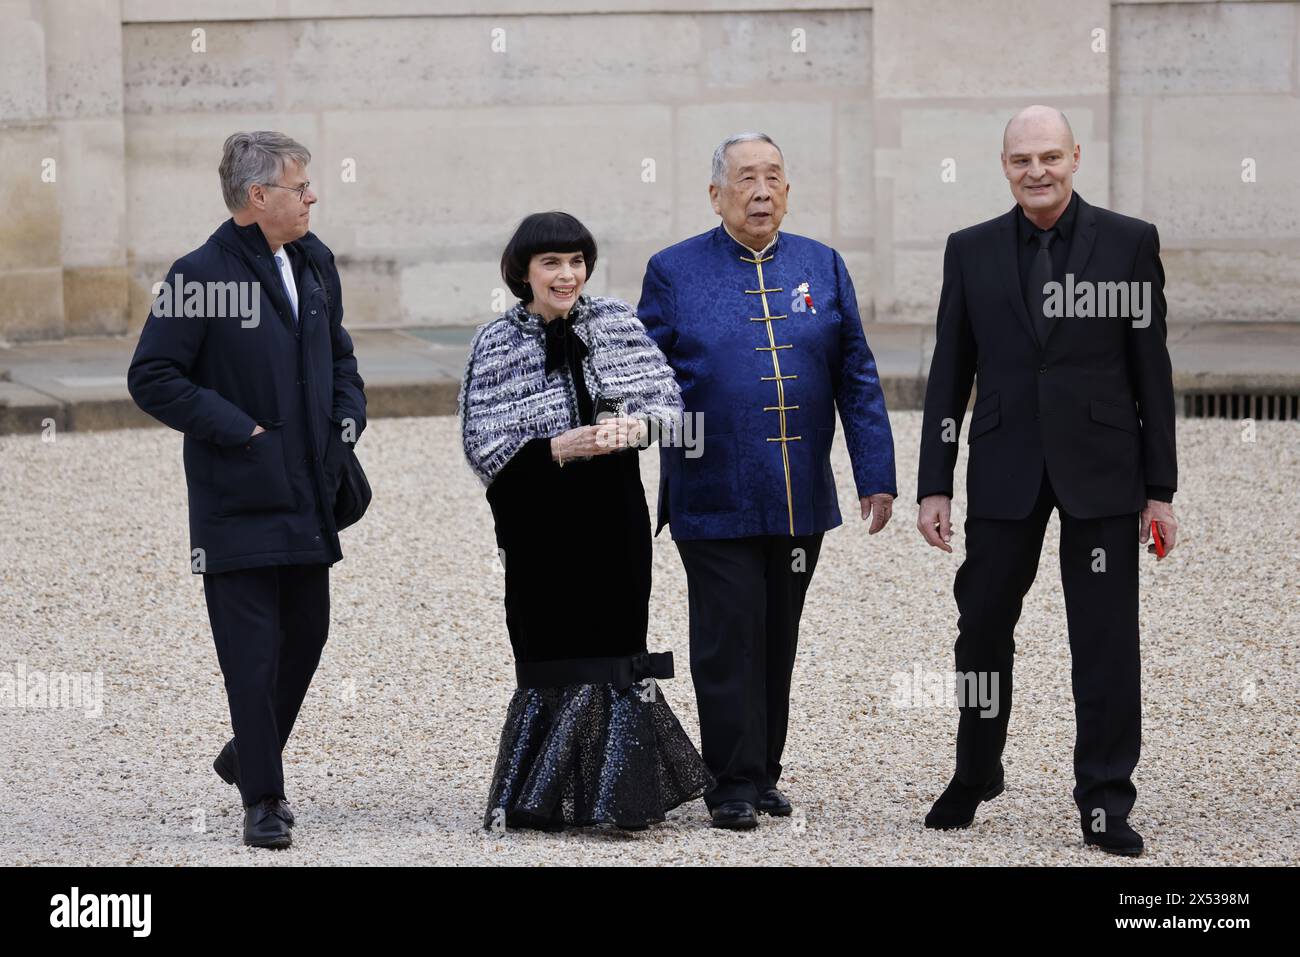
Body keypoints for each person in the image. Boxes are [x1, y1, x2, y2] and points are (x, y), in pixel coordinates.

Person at [916, 106, 1179, 856]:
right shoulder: (970, 250)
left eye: (1049, 157)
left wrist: (1160, 488)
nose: (1037, 170)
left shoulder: (1129, 242)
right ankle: (974, 771)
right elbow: (949, 372)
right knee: (981, 630)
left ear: (1075, 157)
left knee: (1104, 640)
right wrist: (936, 480)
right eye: (1021, 158)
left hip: (1102, 471)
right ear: (1004, 165)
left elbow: (1149, 370)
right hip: (1004, 468)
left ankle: (1103, 798)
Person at [637, 133, 897, 830]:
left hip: (798, 495)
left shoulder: (823, 264)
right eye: (746, 179)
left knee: (777, 635)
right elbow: (642, 375)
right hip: (712, 491)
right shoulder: (673, 270)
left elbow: (858, 376)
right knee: (728, 638)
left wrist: (876, 473)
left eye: (773, 177)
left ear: (788, 189)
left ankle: (763, 770)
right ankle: (728, 782)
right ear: (716, 193)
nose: (761, 191)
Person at [127, 131, 366, 849]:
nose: (313, 196)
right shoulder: (199, 272)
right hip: (237, 496)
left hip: (309, 492)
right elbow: (153, 377)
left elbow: (339, 355)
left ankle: (244, 753)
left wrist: (347, 416)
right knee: (251, 653)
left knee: (308, 635)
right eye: (301, 186)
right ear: (259, 197)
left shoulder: (316, 261)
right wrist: (243, 431)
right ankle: (263, 796)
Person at [460, 211, 712, 831]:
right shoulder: (496, 341)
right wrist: (556, 448)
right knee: (547, 641)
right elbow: (482, 440)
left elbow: (666, 404)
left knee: (616, 637)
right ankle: (544, 795)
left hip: (612, 509)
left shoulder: (617, 322)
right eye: (551, 263)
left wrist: (637, 425)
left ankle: (619, 795)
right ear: (524, 271)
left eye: (576, 262)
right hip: (537, 515)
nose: (566, 274)